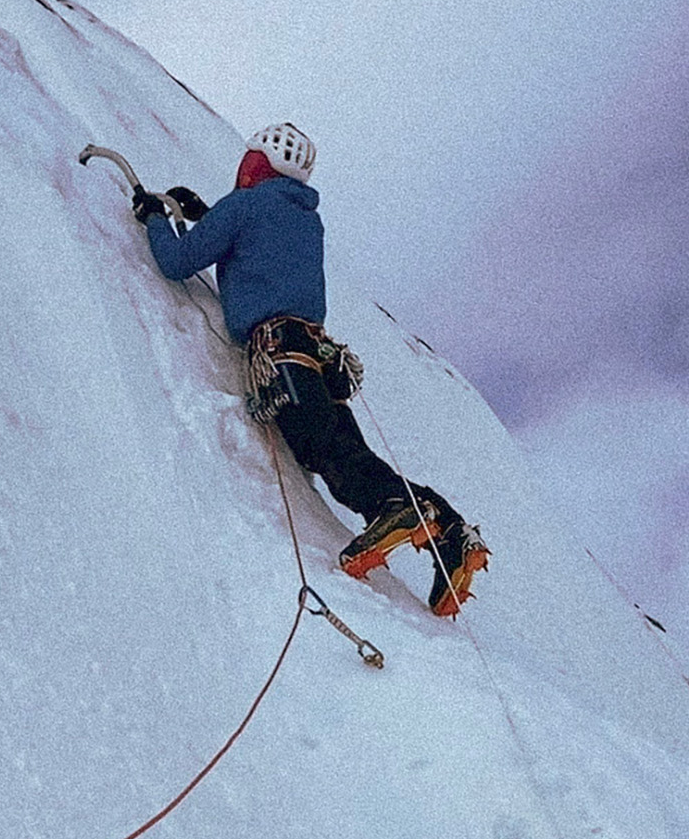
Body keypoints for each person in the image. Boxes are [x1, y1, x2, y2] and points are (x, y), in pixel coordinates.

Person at [134, 123, 488, 617]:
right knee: (348, 448)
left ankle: (398, 510)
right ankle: (449, 530)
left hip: (278, 351)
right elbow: (262, 251)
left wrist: (155, 217)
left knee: (323, 449)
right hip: (317, 354)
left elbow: (178, 261)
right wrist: (207, 214)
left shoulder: (244, 206)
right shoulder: (303, 218)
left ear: (256, 165)